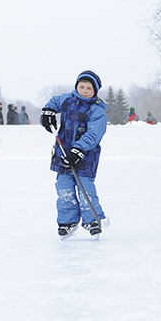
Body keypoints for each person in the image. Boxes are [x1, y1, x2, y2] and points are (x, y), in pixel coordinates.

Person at [40, 70, 109, 238]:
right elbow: (54, 101)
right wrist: (48, 111)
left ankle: (93, 219)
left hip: (85, 156)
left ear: (95, 91)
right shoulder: (67, 100)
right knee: (64, 188)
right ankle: (68, 221)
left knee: (85, 188)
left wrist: (78, 150)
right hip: (63, 152)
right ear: (76, 86)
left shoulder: (97, 111)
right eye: (81, 86)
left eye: (89, 88)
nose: (84, 91)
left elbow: (94, 134)